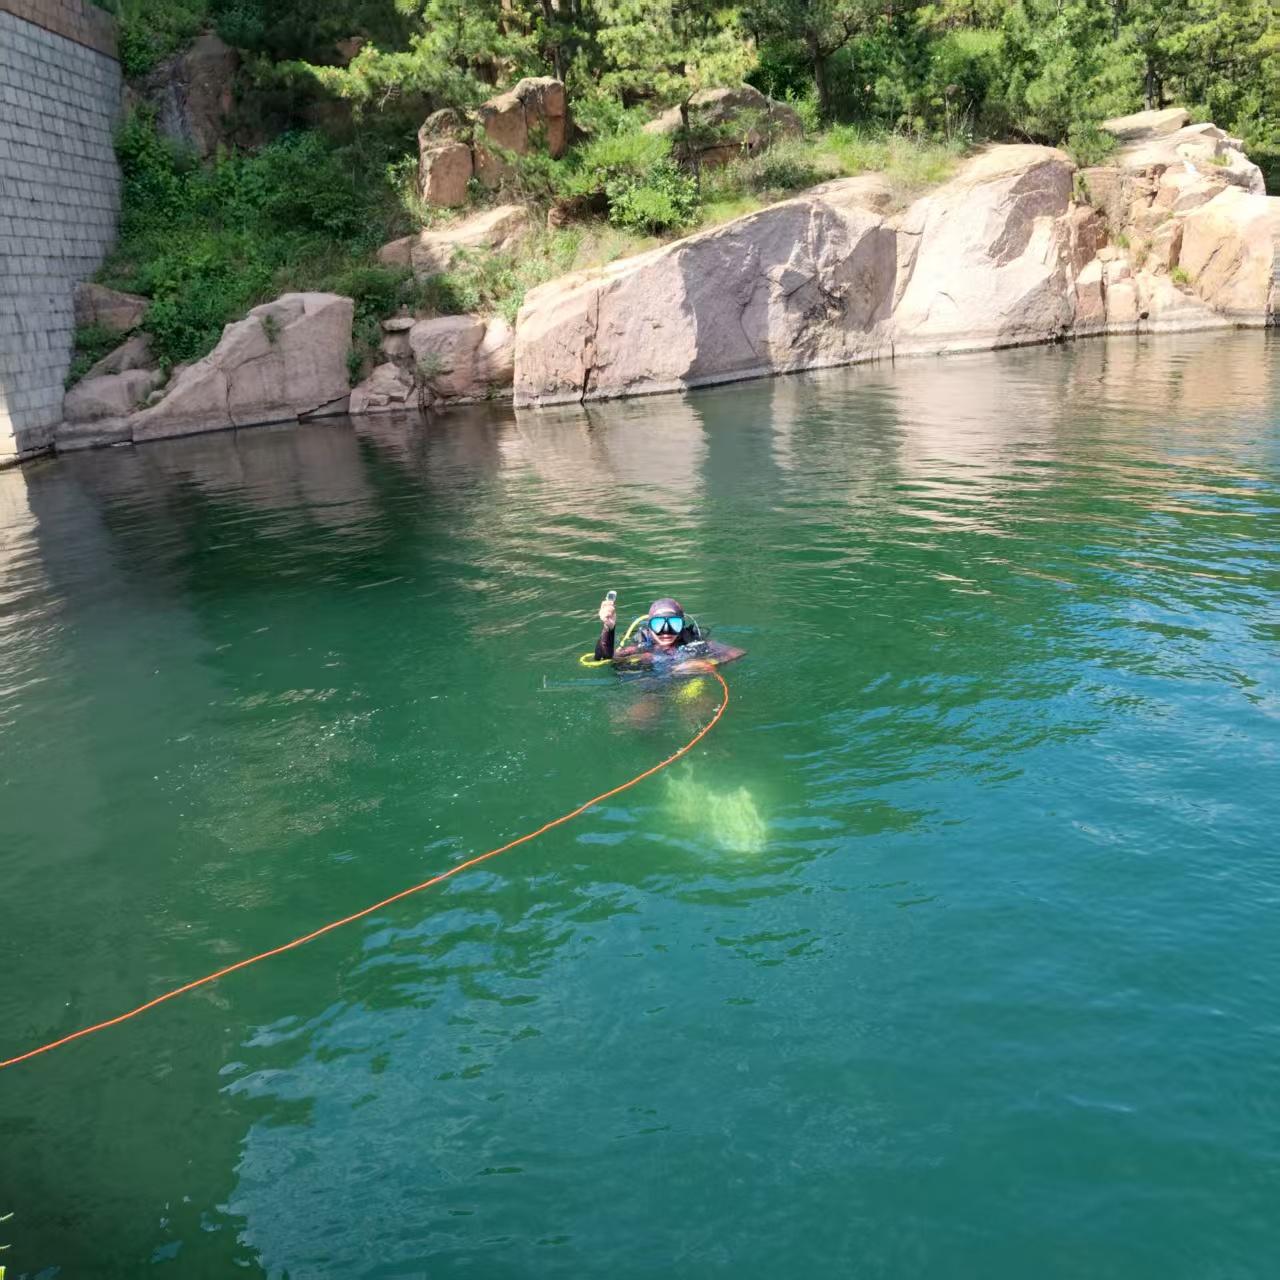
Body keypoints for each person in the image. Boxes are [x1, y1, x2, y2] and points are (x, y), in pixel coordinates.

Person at [592, 595, 745, 670]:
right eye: (658, 624)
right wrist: (608, 628)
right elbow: (603, 658)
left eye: (674, 624)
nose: (666, 631)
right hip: (651, 683)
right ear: (649, 627)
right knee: (642, 715)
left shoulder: (694, 642)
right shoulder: (641, 646)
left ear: (682, 625)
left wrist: (704, 663)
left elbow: (738, 653)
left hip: (688, 680)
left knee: (697, 708)